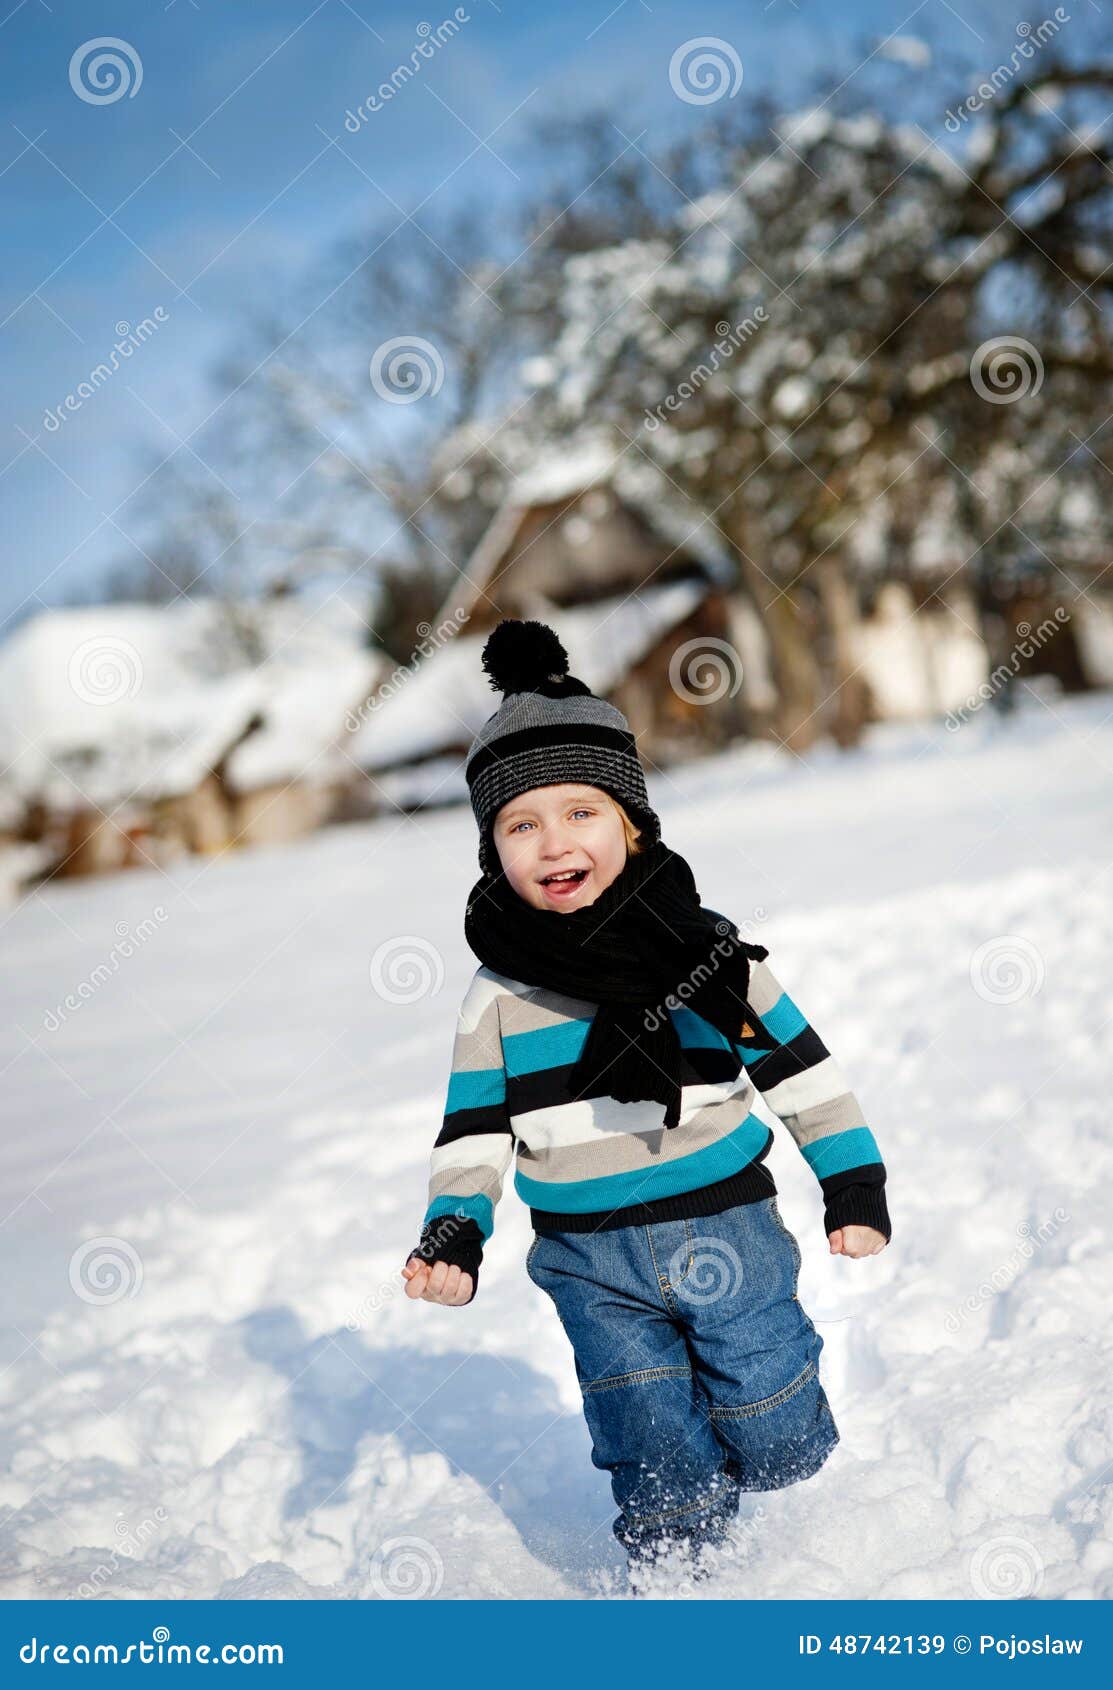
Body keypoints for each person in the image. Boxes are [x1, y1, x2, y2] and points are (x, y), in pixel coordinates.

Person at [402, 617, 891, 1576]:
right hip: (587, 1258)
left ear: (631, 822)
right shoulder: (498, 993)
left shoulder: (707, 958)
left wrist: (853, 1184)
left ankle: (768, 1489)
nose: (553, 842)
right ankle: (679, 1581)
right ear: (490, 849)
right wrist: (455, 1227)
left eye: (580, 812)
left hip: (727, 1228)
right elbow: (472, 1129)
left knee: (778, 1430)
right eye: (519, 824)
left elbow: (801, 1072)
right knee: (651, 1448)